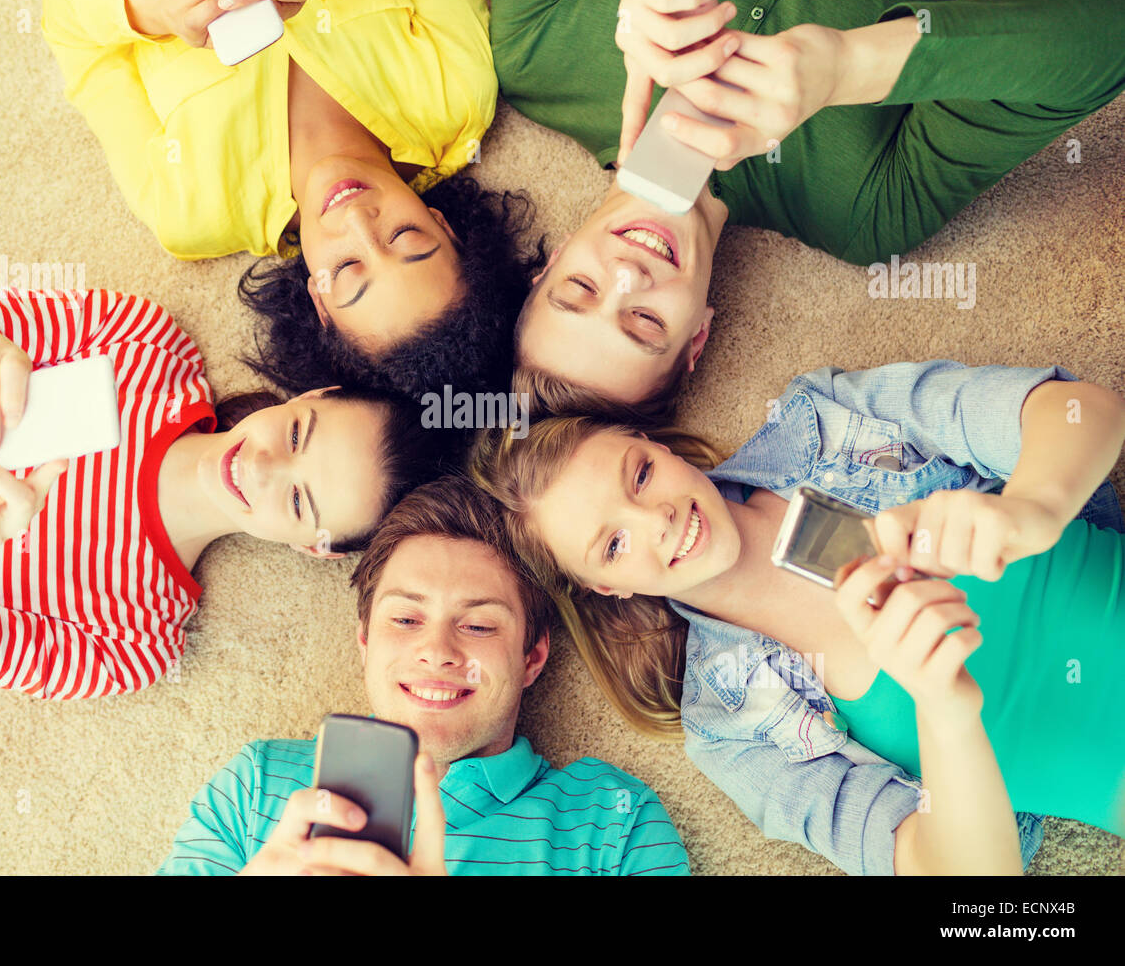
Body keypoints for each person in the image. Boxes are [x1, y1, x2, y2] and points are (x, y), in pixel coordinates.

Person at [470, 359, 1125, 873]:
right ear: (601, 587)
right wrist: (944, 710)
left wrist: (1030, 508)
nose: (657, 518)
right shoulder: (729, 728)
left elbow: (1080, 409)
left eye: (638, 476)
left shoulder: (819, 419)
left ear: (653, 445)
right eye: (613, 544)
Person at [491, 0, 1125, 420]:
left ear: (550, 261)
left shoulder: (531, 51)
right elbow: (1108, 32)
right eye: (644, 323)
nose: (627, 278)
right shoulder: (863, 214)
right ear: (697, 338)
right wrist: (853, 66)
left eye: (580, 289)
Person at [0, 280, 458, 698]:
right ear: (309, 396)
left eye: (299, 501)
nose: (260, 467)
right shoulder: (144, 344)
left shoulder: (135, 641)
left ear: (314, 547)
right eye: (296, 435)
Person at [41, 0, 542, 401]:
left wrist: (146, 7)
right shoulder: (456, 91)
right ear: (443, 224)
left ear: (318, 302)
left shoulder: (190, 211)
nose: (357, 222)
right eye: (404, 235)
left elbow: (67, 19)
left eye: (347, 270)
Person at [157, 475, 690, 875]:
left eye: (479, 625)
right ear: (364, 641)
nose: (436, 652)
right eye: (407, 619)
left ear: (533, 657)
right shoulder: (254, 787)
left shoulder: (612, 822)